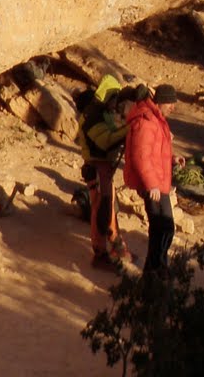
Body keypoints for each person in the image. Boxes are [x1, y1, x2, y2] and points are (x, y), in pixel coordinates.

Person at [75, 77, 135, 270]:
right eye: (114, 99)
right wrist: (129, 129)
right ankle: (100, 254)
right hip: (97, 168)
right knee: (101, 211)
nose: (115, 104)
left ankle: (116, 245)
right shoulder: (93, 116)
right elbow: (106, 141)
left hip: (103, 169)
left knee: (109, 209)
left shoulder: (100, 113)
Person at [122, 83, 178, 277]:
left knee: (161, 228)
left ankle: (156, 268)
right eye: (170, 103)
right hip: (153, 185)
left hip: (158, 182)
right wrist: (151, 184)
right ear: (161, 102)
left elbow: (156, 151)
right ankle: (155, 269)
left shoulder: (156, 119)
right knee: (164, 227)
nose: (173, 108)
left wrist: (173, 159)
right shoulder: (146, 122)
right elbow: (141, 157)